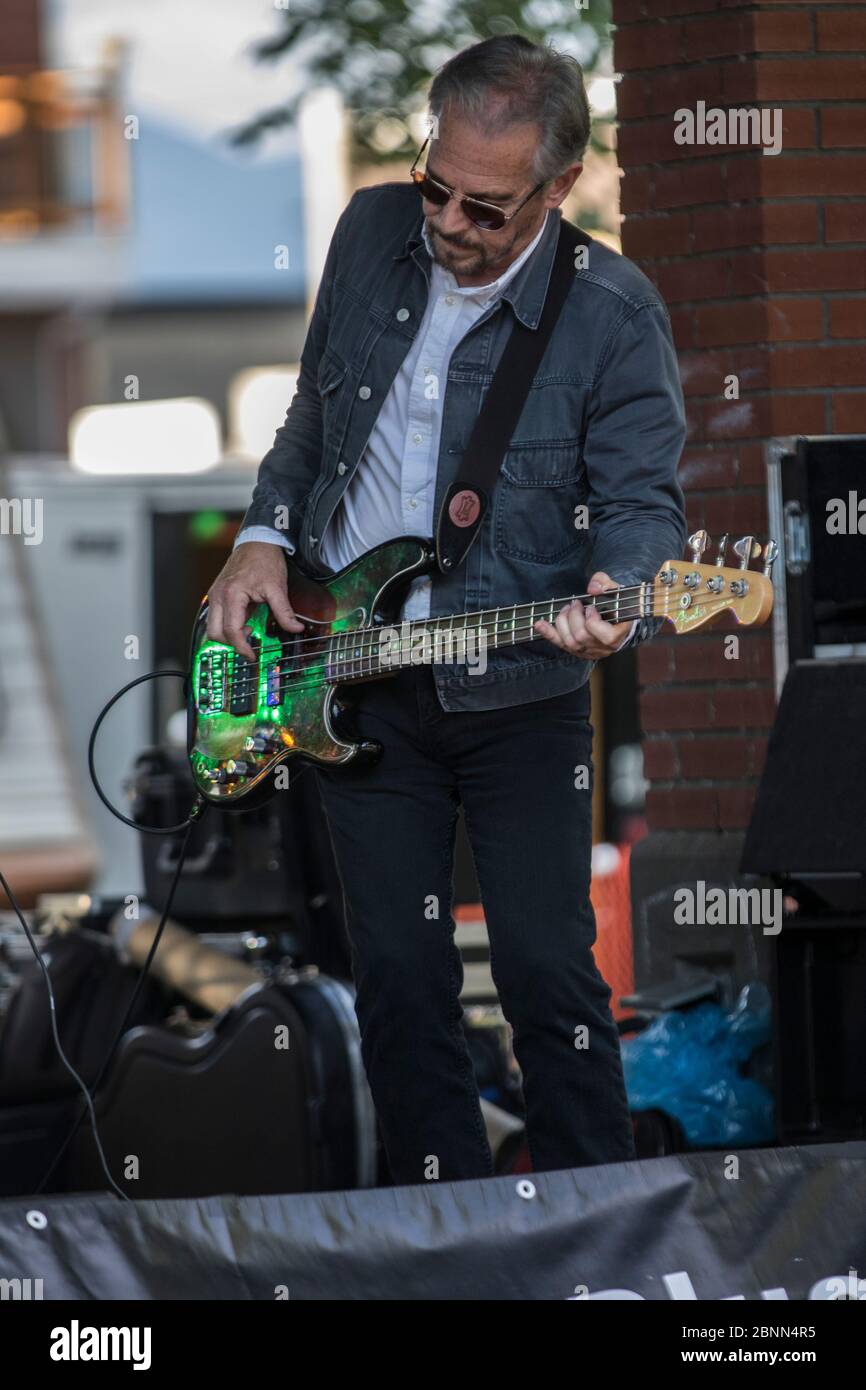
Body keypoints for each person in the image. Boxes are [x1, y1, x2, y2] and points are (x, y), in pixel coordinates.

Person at [206, 35, 686, 1184]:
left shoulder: (612, 311)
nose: (449, 225)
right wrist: (261, 538)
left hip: (518, 689)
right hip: (345, 676)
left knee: (544, 973)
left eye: (487, 209)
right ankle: (447, 1238)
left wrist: (617, 599)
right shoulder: (371, 229)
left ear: (560, 187)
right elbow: (310, 424)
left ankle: (590, 1232)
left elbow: (641, 508)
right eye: (437, 186)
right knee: (401, 980)